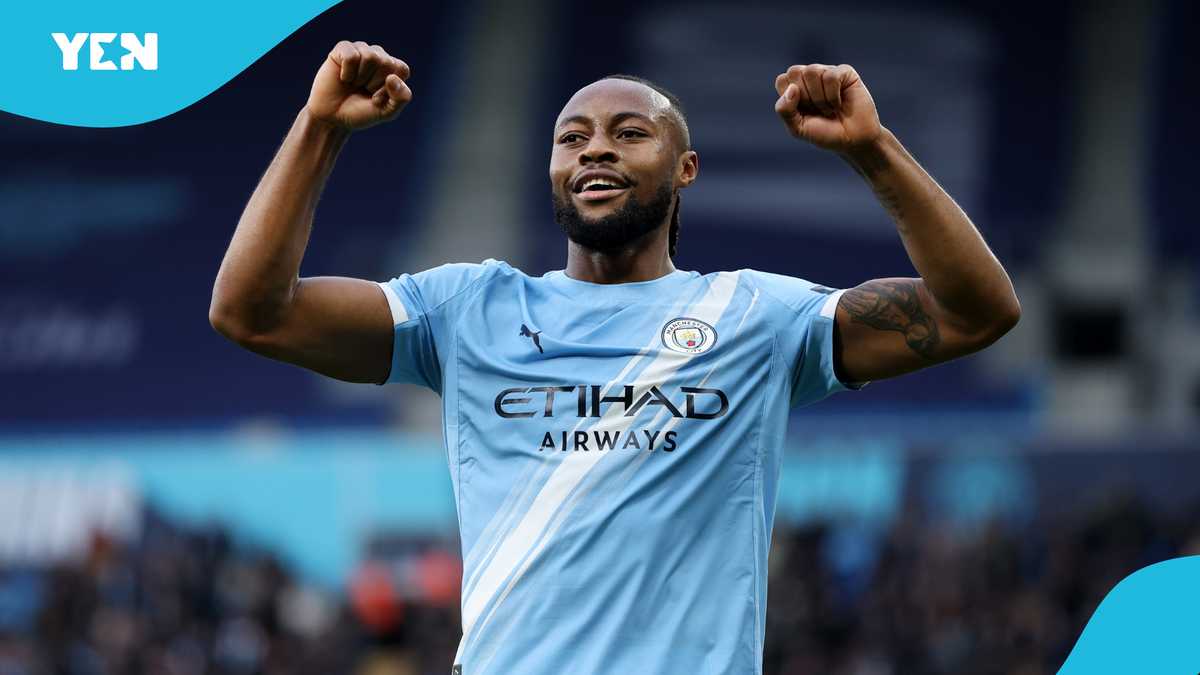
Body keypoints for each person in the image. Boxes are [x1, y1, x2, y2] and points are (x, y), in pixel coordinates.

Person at [209, 40, 1020, 675]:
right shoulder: (466, 309)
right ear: (553, 170)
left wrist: (872, 149)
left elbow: (976, 312)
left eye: (629, 134)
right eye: (573, 138)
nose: (595, 150)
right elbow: (250, 311)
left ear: (685, 169)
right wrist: (319, 127)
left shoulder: (755, 316)